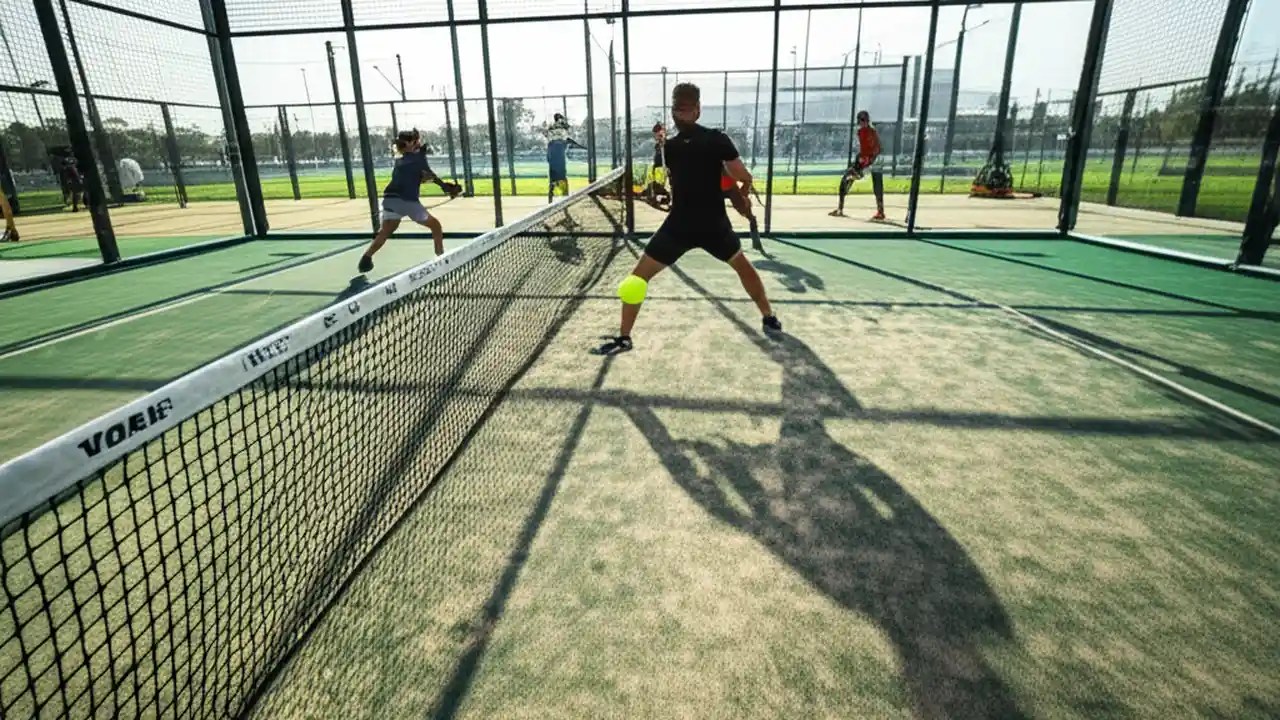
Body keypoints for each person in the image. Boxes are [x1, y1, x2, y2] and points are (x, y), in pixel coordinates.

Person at [594, 83, 780, 355]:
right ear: (697, 110)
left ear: (692, 110)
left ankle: (624, 337)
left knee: (638, 278)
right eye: (677, 109)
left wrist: (662, 150)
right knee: (742, 266)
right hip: (707, 224)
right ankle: (768, 316)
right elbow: (740, 174)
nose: (678, 114)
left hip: (683, 226)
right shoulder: (713, 139)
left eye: (680, 109)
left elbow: (656, 185)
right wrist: (745, 186)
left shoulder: (670, 147)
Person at [357, 129, 460, 273]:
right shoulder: (418, 157)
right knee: (436, 226)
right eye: (416, 141)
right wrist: (446, 188)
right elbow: (430, 175)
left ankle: (366, 258)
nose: (419, 143)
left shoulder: (400, 161)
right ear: (409, 143)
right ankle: (441, 259)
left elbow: (416, 177)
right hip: (408, 202)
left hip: (390, 200)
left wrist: (429, 181)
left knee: (385, 232)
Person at [830, 110, 885, 221]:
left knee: (877, 185)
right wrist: (860, 160)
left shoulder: (871, 132)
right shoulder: (861, 132)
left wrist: (869, 160)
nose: (862, 122)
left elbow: (877, 149)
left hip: (873, 162)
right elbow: (864, 149)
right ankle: (840, 209)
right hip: (863, 162)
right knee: (845, 180)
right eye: (860, 120)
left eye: (864, 120)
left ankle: (880, 212)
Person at [545, 113, 585, 203]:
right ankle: (565, 200)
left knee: (553, 181)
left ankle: (550, 201)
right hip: (558, 156)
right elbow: (567, 139)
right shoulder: (560, 129)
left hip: (553, 156)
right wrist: (581, 146)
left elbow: (550, 139)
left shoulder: (552, 129)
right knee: (563, 179)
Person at [720, 171, 764, 252]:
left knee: (744, 210)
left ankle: (755, 238)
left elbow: (747, 178)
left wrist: (744, 194)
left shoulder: (729, 166)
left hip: (730, 187)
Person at [647, 122, 670, 209]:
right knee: (654, 180)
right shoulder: (657, 145)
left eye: (658, 133)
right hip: (658, 169)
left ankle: (669, 198)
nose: (656, 136)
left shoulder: (667, 144)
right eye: (656, 134)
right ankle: (656, 197)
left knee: (668, 182)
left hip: (666, 168)